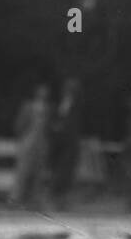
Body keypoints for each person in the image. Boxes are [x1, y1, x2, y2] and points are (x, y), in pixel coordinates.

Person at [10, 84, 51, 206]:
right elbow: (19, 124)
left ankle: (34, 200)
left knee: (38, 174)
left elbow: (47, 129)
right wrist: (22, 140)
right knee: (22, 172)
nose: (43, 94)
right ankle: (16, 199)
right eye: (41, 92)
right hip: (27, 143)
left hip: (41, 144)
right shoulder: (28, 106)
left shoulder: (48, 109)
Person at [50, 77, 84, 207]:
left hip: (70, 143)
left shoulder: (77, 104)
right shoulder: (58, 104)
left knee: (66, 172)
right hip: (58, 143)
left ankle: (62, 199)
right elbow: (53, 120)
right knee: (57, 171)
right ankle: (55, 198)